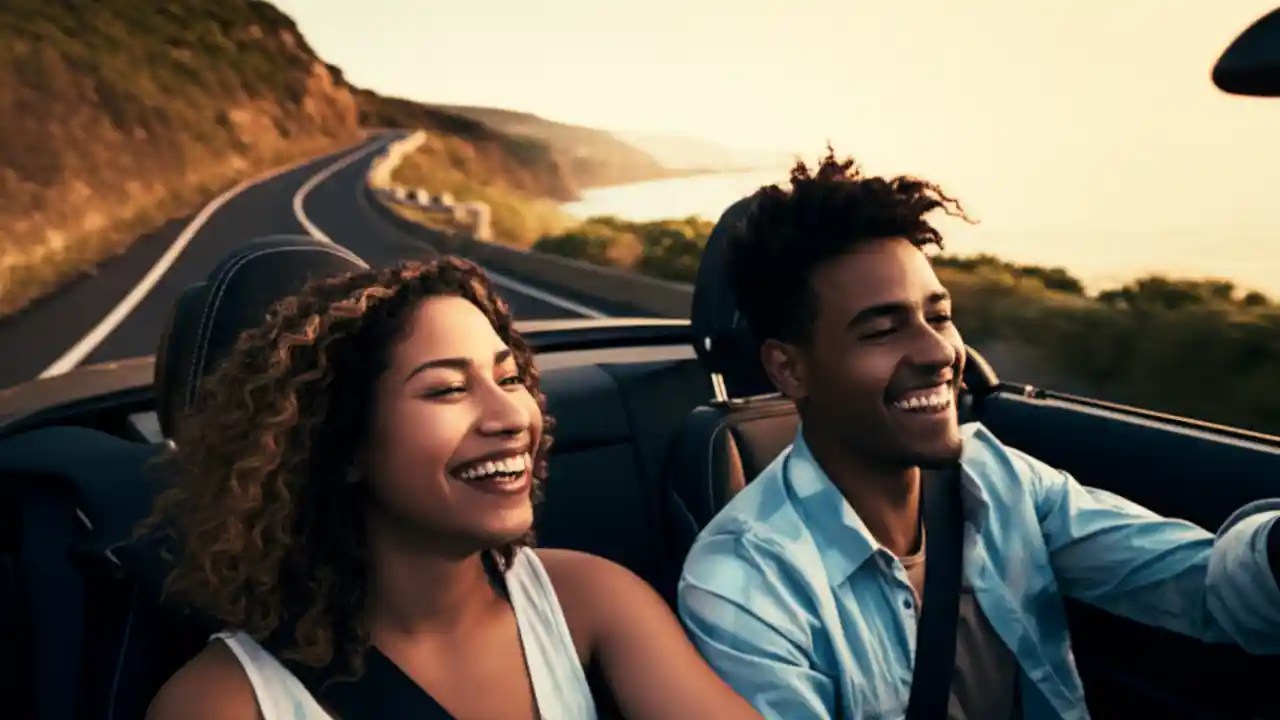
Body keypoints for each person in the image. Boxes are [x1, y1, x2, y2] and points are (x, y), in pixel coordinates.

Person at [676, 150, 1280, 719]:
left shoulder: (1001, 481)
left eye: (938, 316)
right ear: (790, 368)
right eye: (882, 330)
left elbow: (1204, 589)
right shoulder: (744, 583)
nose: (940, 350)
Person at [143, 257, 759, 720]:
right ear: (343, 445)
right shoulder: (223, 702)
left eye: (510, 377)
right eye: (446, 390)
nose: (512, 417)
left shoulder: (591, 602)